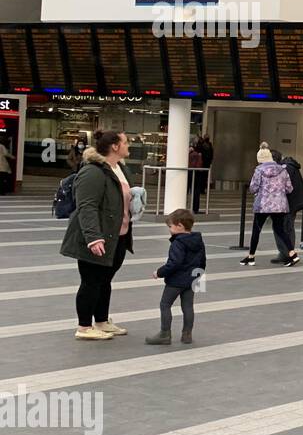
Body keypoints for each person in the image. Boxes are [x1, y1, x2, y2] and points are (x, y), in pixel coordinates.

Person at [60, 130, 135, 341]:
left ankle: (101, 321)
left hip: (118, 235)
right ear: (114, 146)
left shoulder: (120, 168)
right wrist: (94, 237)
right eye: (126, 142)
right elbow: (87, 206)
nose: (129, 145)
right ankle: (84, 327)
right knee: (91, 281)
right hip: (96, 237)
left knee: (105, 280)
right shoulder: (93, 171)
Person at [146, 208, 206, 346]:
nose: (169, 229)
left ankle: (165, 334)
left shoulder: (178, 242)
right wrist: (198, 278)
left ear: (180, 226)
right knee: (188, 306)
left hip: (176, 281)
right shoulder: (198, 240)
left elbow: (174, 263)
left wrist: (159, 272)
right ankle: (187, 334)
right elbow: (203, 261)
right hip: (191, 280)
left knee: (165, 304)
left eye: (170, 226)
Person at [239, 142, 298, 267]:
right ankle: (293, 254)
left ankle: (251, 257)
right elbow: (289, 188)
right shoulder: (283, 170)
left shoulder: (259, 170)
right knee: (281, 230)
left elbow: (253, 188)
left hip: (263, 205)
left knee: (256, 230)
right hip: (279, 205)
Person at [270, 149, 303, 264]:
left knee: (286, 227)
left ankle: (287, 254)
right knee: (281, 227)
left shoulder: (286, 169)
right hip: (286, 203)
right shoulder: (286, 167)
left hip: (288, 204)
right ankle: (284, 253)